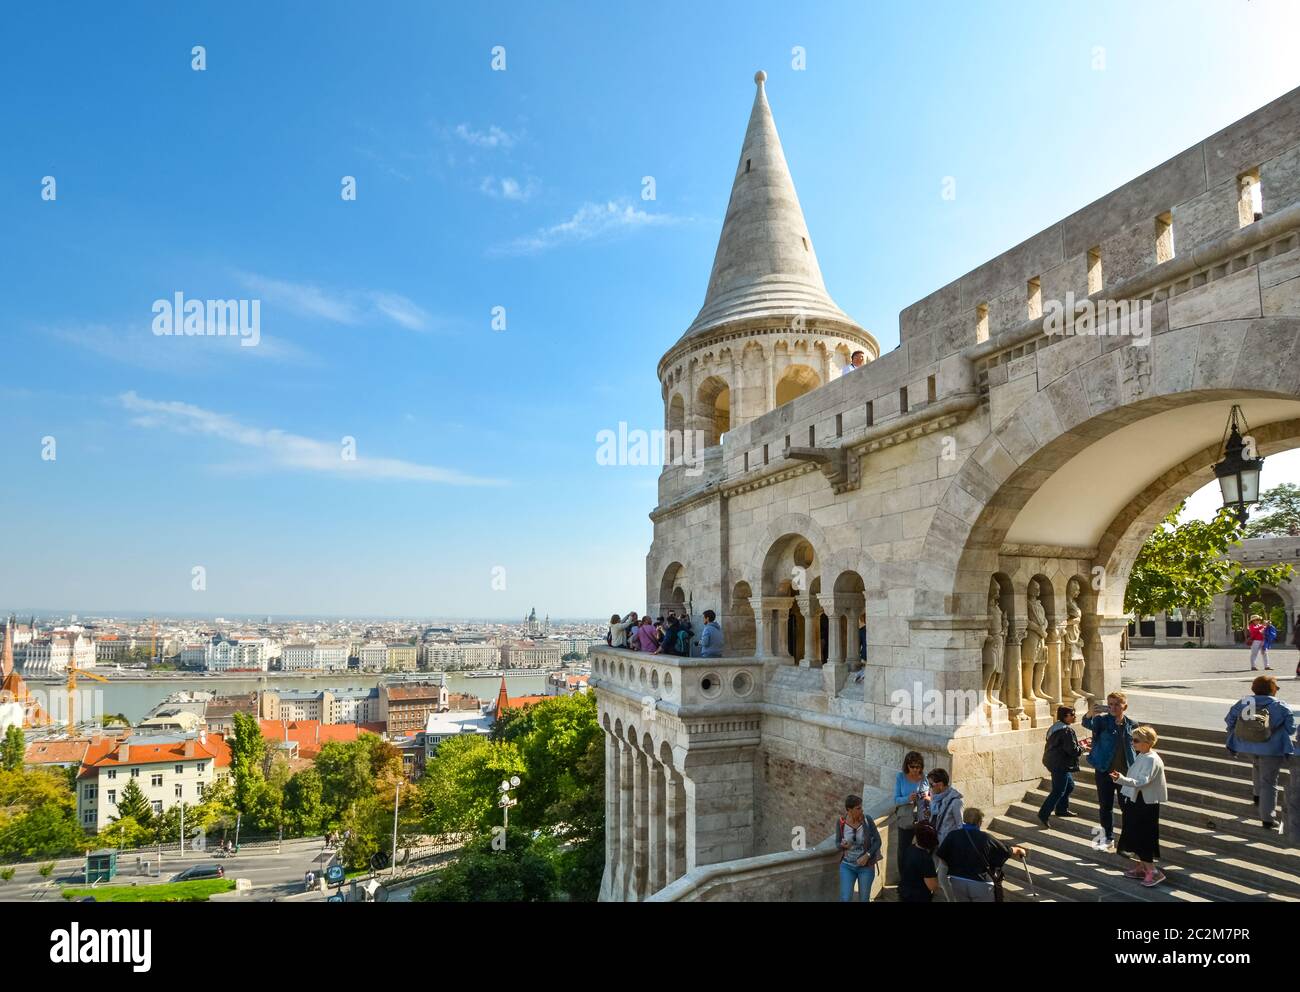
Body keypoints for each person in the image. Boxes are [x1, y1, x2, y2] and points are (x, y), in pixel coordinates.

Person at [1226, 673, 1296, 829]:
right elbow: (1291, 729)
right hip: (1271, 749)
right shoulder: (1280, 706)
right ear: (1272, 690)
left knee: (1256, 765)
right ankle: (1268, 818)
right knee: (1269, 782)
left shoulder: (1245, 702)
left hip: (1245, 746)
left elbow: (1229, 719)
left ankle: (1257, 796)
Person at [1112, 725, 1167, 887]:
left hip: (1145, 803)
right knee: (1134, 833)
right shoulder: (1143, 755)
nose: (1133, 743)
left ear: (1147, 742)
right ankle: (1143, 867)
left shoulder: (1151, 759)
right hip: (1137, 801)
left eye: (1136, 740)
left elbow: (1142, 781)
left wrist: (1121, 779)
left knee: (1143, 836)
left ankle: (1153, 871)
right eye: (1132, 740)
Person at [934, 807, 1026, 902]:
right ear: (979, 822)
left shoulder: (952, 835)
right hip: (980, 883)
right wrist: (1019, 850)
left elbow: (942, 857)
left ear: (964, 819)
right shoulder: (986, 838)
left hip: (957, 881)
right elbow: (1006, 851)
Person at [1082, 691, 1137, 849]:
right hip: (1104, 770)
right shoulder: (1102, 721)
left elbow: (1137, 746)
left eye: (1116, 704)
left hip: (1125, 773)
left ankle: (1128, 838)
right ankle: (1108, 836)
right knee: (1105, 805)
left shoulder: (1132, 723)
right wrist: (1091, 712)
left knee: (1126, 806)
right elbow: (1086, 723)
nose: (1113, 707)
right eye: (1110, 704)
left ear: (1124, 706)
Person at [1038, 705, 1087, 827]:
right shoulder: (1066, 730)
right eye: (1073, 714)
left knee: (1069, 786)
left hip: (1054, 762)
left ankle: (1061, 809)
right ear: (1065, 716)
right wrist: (1083, 748)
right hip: (1060, 764)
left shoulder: (1055, 727)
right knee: (1058, 790)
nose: (1075, 716)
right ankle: (1043, 813)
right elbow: (1072, 751)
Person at [836, 794, 882, 902]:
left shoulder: (867, 820)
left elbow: (878, 841)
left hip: (866, 867)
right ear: (849, 810)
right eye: (858, 808)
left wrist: (868, 855)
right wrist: (842, 845)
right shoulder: (841, 822)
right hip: (847, 866)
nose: (862, 810)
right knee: (845, 898)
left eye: (861, 807)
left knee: (864, 899)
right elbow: (837, 843)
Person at [927, 768, 963, 901]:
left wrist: (955, 846)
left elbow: (960, 826)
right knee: (928, 871)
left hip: (946, 845)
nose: (930, 787)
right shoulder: (935, 797)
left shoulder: (956, 802)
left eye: (932, 784)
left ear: (940, 784)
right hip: (934, 842)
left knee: (942, 878)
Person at [894, 752, 929, 876]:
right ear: (907, 766)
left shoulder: (924, 778)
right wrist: (908, 798)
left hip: (922, 819)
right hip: (905, 818)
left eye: (918, 767)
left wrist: (926, 797)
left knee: (924, 848)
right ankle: (903, 877)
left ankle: (920, 876)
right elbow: (896, 799)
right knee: (903, 849)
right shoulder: (900, 777)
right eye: (912, 766)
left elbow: (930, 796)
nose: (915, 769)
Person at [898, 821, 940, 903]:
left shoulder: (909, 850)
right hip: (918, 897)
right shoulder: (926, 859)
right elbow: (932, 886)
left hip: (904, 893)